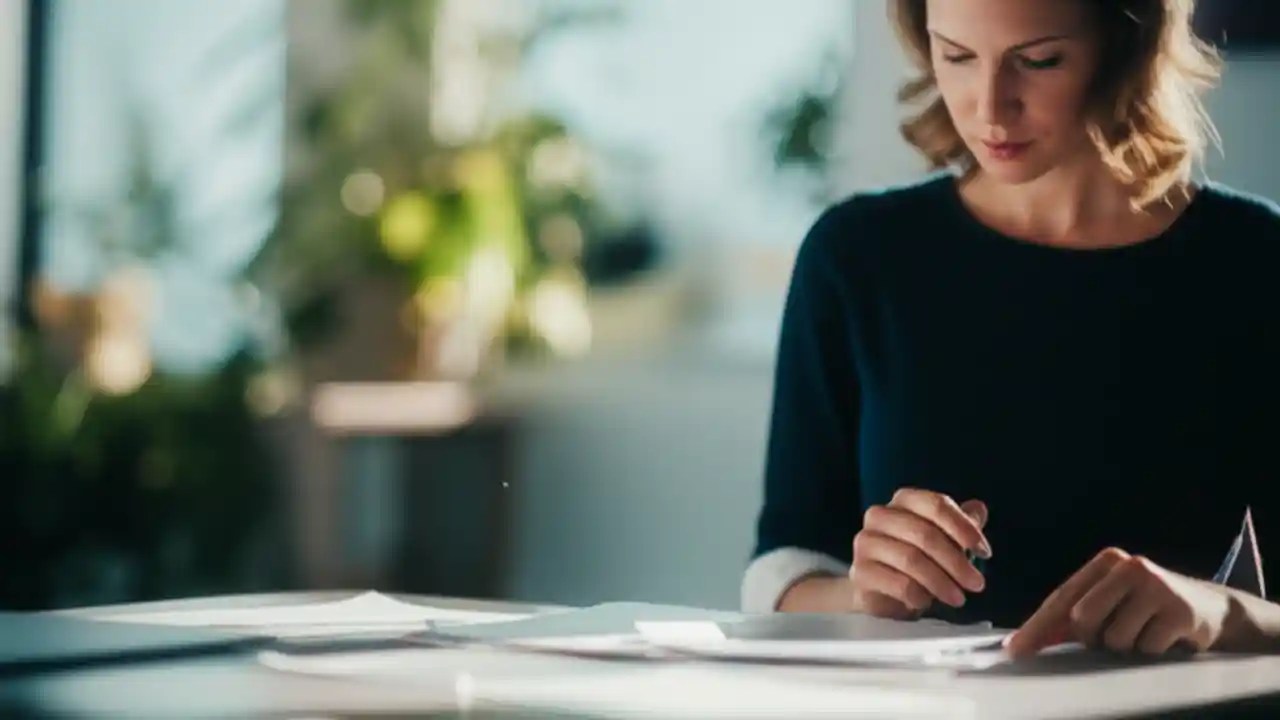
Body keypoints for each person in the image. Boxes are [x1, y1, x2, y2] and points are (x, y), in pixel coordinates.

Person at [743, 0, 1280, 658]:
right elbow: (782, 568)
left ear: (1123, 45)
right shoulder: (855, 258)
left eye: (1039, 61)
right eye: (957, 56)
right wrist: (861, 593)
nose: (991, 109)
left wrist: (1222, 612)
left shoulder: (1255, 263)